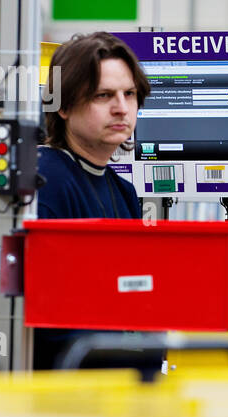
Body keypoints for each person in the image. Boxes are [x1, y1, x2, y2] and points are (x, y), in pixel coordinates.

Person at [32, 31, 151, 370]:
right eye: (103, 95)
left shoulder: (123, 191)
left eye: (129, 94)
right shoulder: (46, 182)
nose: (121, 108)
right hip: (67, 385)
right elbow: (52, 320)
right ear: (63, 105)